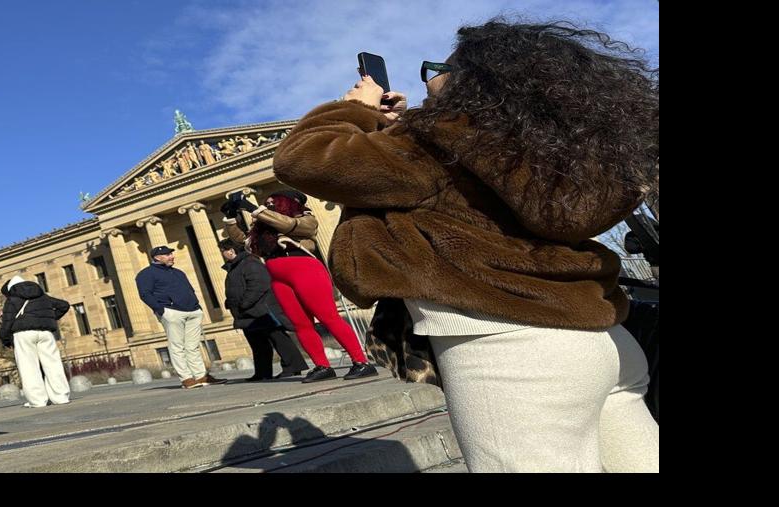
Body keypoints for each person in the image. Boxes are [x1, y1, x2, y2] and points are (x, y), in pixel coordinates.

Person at [272, 19, 659, 472]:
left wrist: (354, 109)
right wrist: (397, 124)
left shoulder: (431, 142)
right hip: (604, 342)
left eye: (434, 68)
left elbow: (303, 159)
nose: (427, 76)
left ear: (472, 80)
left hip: (510, 352)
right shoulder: (537, 144)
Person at [222, 190, 376, 382]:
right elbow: (244, 242)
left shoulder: (304, 217)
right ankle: (322, 366)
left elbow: (289, 225)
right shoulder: (264, 228)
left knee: (328, 317)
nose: (268, 204)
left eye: (273, 201)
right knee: (301, 324)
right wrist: (230, 219)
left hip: (304, 269)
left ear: (289, 202)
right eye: (267, 202)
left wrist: (256, 210)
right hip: (278, 277)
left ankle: (361, 361)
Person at [135, 246, 225, 389]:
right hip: (171, 313)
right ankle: (187, 378)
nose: (172, 256)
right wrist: (161, 310)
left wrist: (198, 307)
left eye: (171, 254)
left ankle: (201, 376)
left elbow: (190, 290)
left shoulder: (178, 272)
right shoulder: (146, 274)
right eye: (167, 254)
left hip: (193, 312)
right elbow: (145, 294)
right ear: (157, 258)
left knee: (193, 346)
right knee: (177, 346)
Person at [218, 240, 307, 381]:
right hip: (247, 313)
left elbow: (259, 284)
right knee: (258, 344)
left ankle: (293, 367)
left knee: (278, 338)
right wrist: (230, 303)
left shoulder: (250, 263)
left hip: (261, 310)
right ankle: (262, 372)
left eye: (222, 250)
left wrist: (244, 303)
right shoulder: (236, 266)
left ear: (230, 250)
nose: (222, 254)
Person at [0, 276, 72, 407]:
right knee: (53, 364)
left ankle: (37, 400)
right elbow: (64, 305)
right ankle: (61, 397)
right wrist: (47, 318)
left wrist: (6, 340)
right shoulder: (42, 296)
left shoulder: (12, 299)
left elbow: (7, 323)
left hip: (23, 334)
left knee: (29, 367)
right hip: (45, 332)